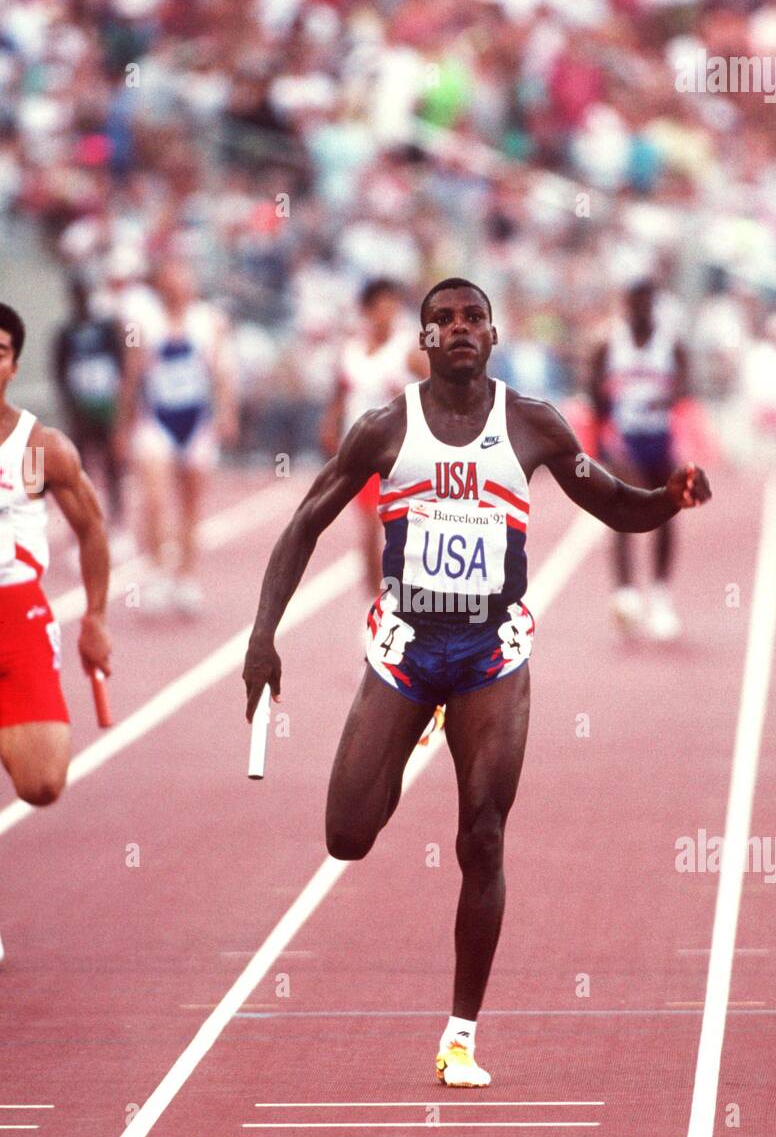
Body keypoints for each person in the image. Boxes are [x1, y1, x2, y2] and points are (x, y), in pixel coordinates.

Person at [243, 279, 710, 1086]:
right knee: (347, 835)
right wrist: (261, 638)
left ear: (493, 335)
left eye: (471, 319)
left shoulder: (531, 424)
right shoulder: (385, 427)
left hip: (494, 648)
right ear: (425, 340)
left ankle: (460, 1034)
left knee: (483, 834)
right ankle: (410, 728)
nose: (458, 330)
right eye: (442, 321)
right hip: (407, 646)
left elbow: (614, 505)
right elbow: (302, 525)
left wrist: (667, 501)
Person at [0, 302, 112, 963]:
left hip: (18, 615)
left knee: (43, 784)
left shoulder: (39, 450)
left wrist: (95, 617)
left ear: (14, 363)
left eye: (0, 350)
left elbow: (92, 529)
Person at [116, 258, 238, 616]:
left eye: (184, 279)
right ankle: (156, 573)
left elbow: (221, 371)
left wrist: (226, 412)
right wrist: (123, 426)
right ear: (161, 285)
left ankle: (185, 577)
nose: (179, 286)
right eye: (171, 279)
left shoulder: (208, 321)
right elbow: (131, 377)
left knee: (190, 504)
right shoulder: (145, 322)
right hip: (156, 419)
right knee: (154, 500)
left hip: (196, 420)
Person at [590, 279, 690, 640]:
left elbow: (686, 386)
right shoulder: (609, 345)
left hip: (660, 439)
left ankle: (661, 596)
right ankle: (626, 593)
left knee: (666, 511)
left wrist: (666, 399)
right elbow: (593, 392)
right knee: (625, 512)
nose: (641, 310)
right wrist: (599, 441)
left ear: (654, 306)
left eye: (647, 303)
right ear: (626, 305)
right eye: (635, 303)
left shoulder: (670, 344)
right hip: (624, 438)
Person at [320, 278, 427, 596]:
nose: (388, 314)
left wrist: (409, 394)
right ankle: (375, 597)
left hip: (402, 449)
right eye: (381, 308)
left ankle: (407, 591)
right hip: (361, 448)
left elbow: (441, 389)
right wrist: (329, 425)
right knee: (368, 526)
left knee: (402, 526)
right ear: (366, 312)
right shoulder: (350, 349)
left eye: (393, 307)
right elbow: (339, 392)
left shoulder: (408, 349)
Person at [53, 276, 126, 529]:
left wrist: (121, 406)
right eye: (76, 295)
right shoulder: (65, 332)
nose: (81, 300)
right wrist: (68, 407)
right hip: (80, 408)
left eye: (84, 294)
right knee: (80, 466)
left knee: (111, 464)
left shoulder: (107, 328)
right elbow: (59, 372)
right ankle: (83, 521)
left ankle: (117, 520)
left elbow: (123, 358)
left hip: (105, 405)